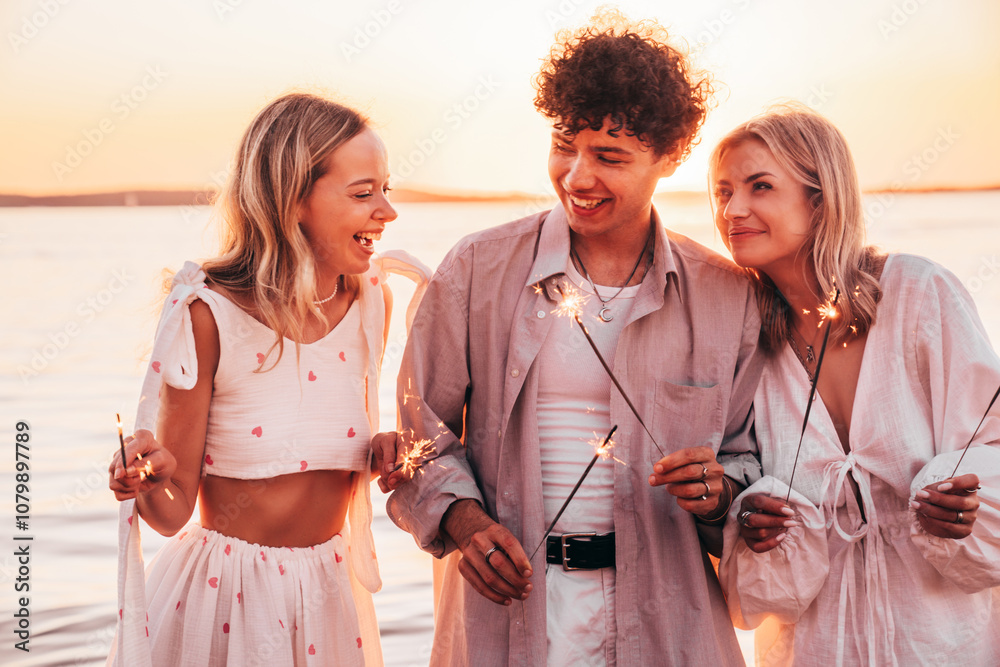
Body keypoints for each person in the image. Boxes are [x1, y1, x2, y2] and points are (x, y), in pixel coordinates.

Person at [374, 11, 764, 665]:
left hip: (670, 629)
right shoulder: (475, 269)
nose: (577, 177)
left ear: (669, 157)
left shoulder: (729, 296)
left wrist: (720, 491)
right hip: (509, 624)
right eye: (564, 145)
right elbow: (420, 438)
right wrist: (465, 523)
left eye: (609, 157)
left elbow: (754, 463)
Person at [106, 92, 428, 666]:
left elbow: (326, 432)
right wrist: (147, 476)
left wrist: (380, 451)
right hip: (227, 599)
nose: (387, 211)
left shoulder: (371, 301)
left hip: (330, 595)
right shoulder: (207, 315)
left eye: (386, 189)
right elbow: (171, 514)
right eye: (363, 193)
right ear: (292, 200)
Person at [711, 105, 1000, 665]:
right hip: (812, 646)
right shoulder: (743, 336)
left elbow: (992, 437)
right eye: (723, 192)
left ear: (820, 200)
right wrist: (750, 516)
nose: (732, 210)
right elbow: (734, 471)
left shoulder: (918, 292)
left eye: (759, 186)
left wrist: (971, 502)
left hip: (940, 639)